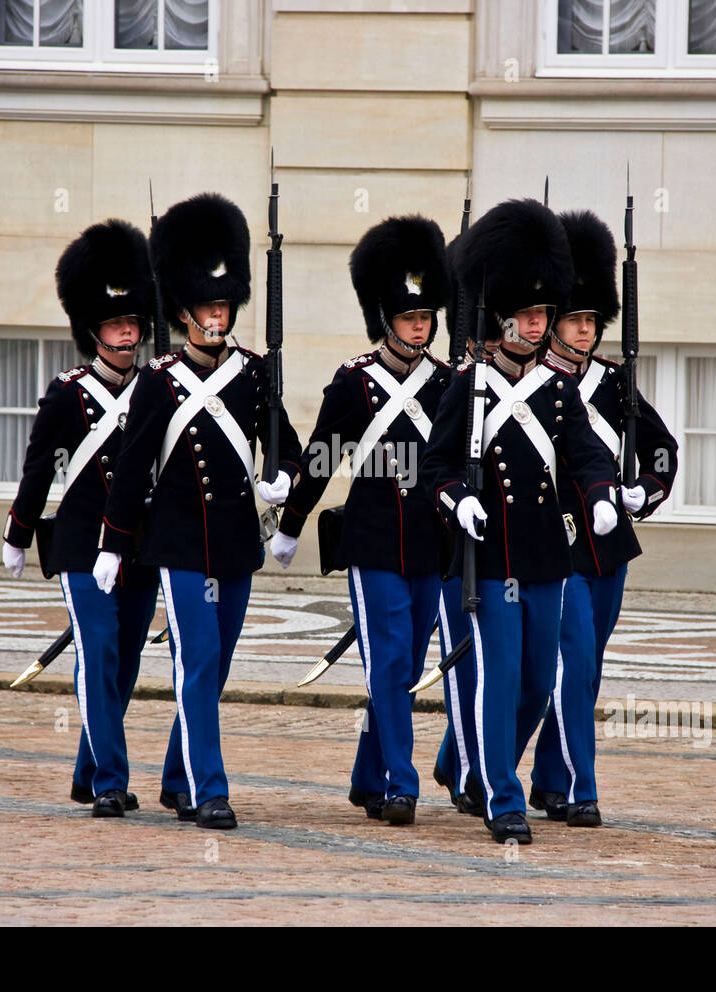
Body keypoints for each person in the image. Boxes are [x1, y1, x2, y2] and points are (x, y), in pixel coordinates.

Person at [97, 193, 302, 831]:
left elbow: (293, 447)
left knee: (216, 667)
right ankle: (210, 789)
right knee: (200, 659)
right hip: (180, 544)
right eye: (208, 306)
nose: (218, 316)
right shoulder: (159, 380)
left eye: (224, 305)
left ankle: (178, 777)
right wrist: (112, 542)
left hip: (237, 540)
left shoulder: (254, 375)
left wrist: (284, 482)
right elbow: (132, 469)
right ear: (185, 313)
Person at [419, 198, 619, 844]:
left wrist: (600, 493)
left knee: (538, 679)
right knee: (500, 673)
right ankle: (502, 795)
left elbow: (586, 451)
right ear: (502, 315)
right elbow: (436, 464)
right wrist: (458, 499)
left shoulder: (557, 391)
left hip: (546, 559)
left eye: (544, 314)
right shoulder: (468, 386)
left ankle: (484, 761)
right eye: (530, 314)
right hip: (492, 552)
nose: (539, 326)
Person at [269, 215, 452, 826]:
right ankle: (402, 783)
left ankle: (366, 774)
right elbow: (321, 456)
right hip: (372, 542)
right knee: (391, 659)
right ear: (385, 319)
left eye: (426, 318)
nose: (419, 327)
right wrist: (292, 522)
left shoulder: (450, 384)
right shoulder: (354, 382)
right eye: (408, 318)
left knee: (403, 658)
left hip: (432, 544)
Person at [1, 219, 159, 818]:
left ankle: (88, 769)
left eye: (133, 323)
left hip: (139, 545)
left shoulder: (157, 387)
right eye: (117, 325)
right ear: (93, 330)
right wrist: (19, 532)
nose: (127, 333)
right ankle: (112, 781)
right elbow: (39, 470)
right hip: (79, 546)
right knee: (97, 651)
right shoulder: (67, 393)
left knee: (125, 660)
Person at [527, 209, 679, 827]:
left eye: (592, 320)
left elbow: (661, 445)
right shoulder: (530, 382)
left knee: (584, 673)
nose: (586, 331)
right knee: (566, 666)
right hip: (555, 543)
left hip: (609, 546)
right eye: (575, 319)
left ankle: (549, 779)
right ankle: (580, 790)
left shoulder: (614, 384)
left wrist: (645, 490)